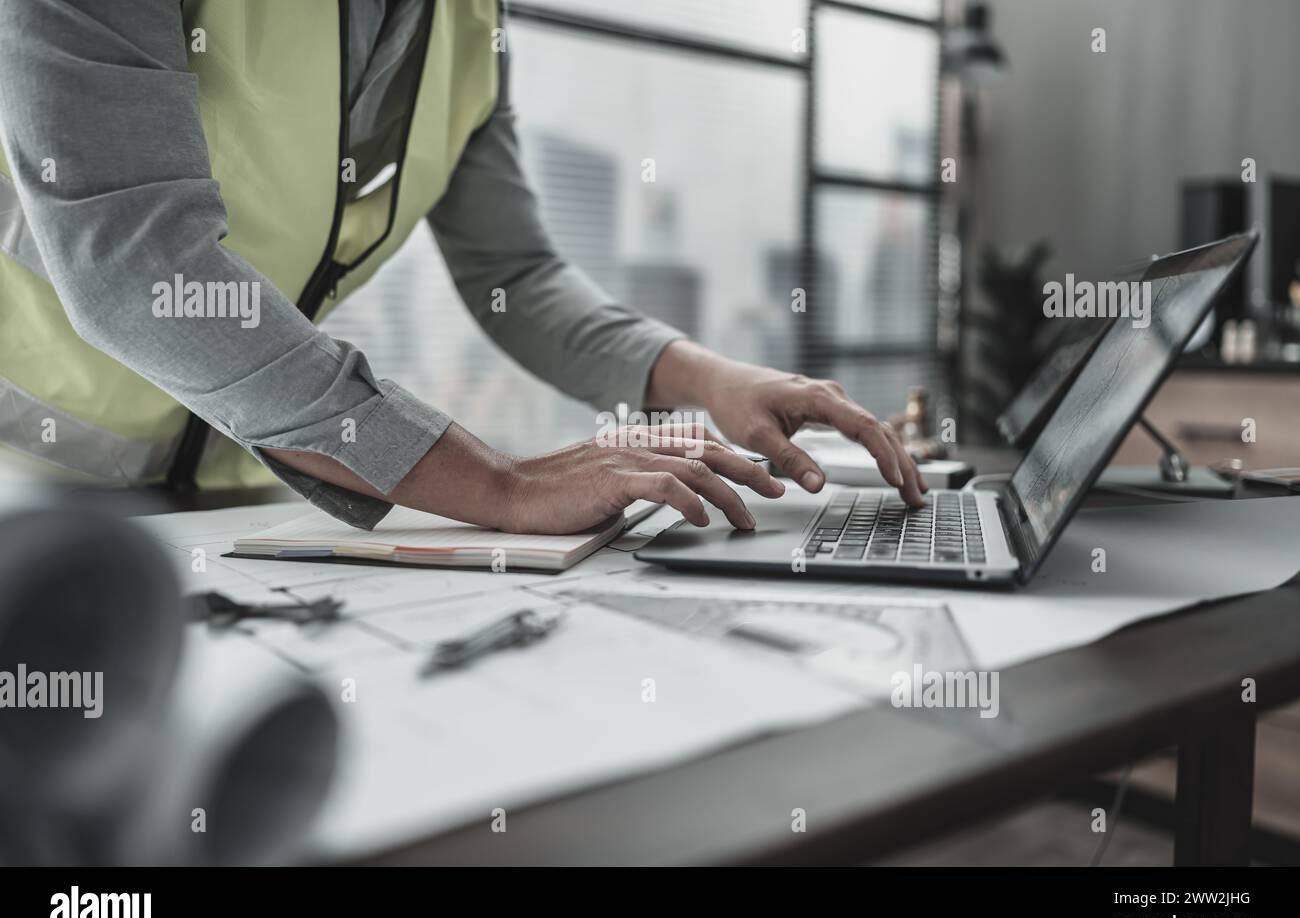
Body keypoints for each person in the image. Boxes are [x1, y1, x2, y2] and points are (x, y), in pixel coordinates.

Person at [0, 0, 924, 535]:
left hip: (250, 479)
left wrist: (713, 380)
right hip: (29, 482)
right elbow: (134, 260)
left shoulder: (469, 23)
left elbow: (514, 273)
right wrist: (499, 485)